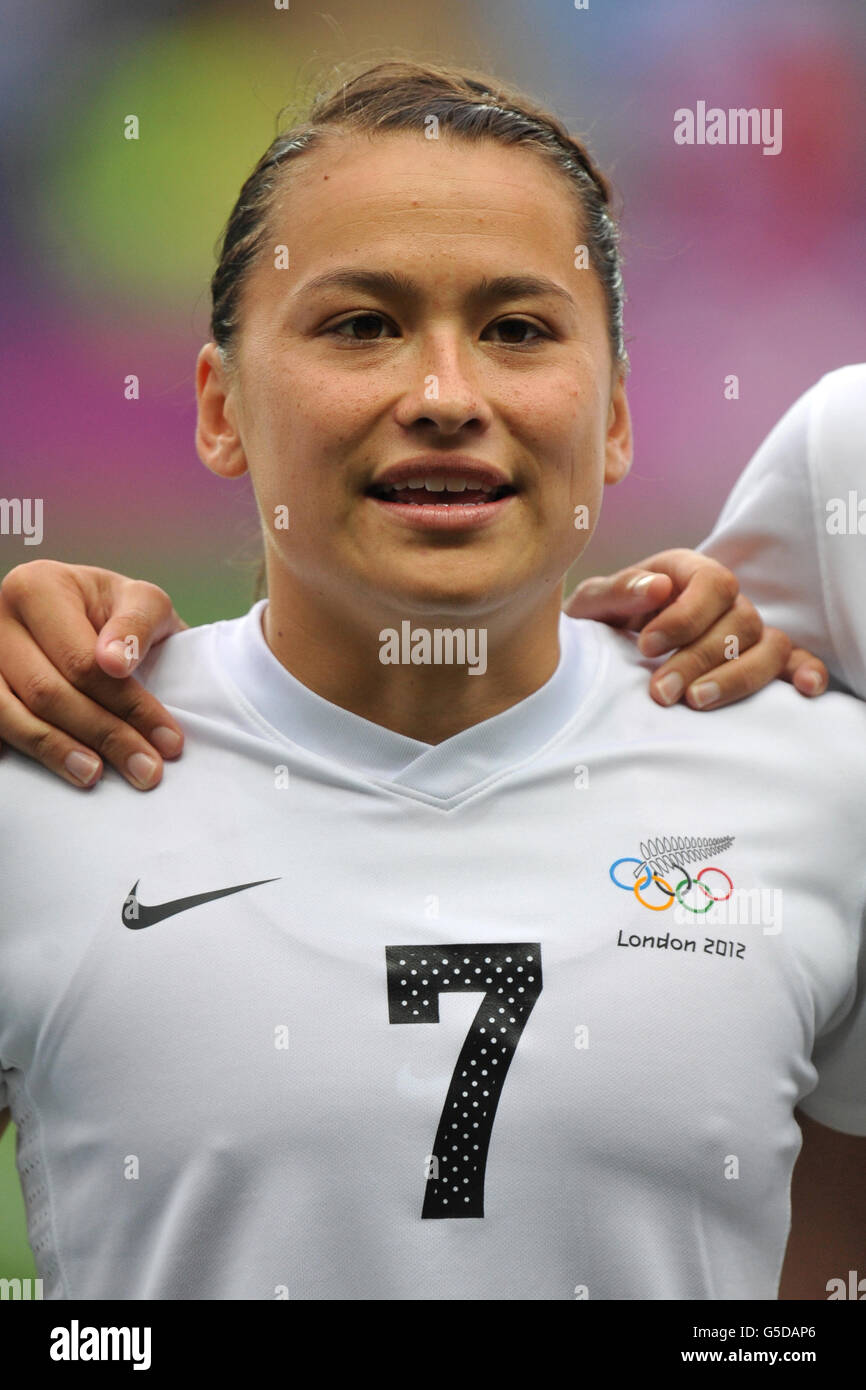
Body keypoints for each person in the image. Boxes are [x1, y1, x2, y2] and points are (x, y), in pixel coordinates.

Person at [0, 59, 863, 1301]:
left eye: (516, 328)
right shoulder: (46, 773)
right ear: (219, 406)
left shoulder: (823, 787)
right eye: (360, 324)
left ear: (615, 415)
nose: (445, 396)